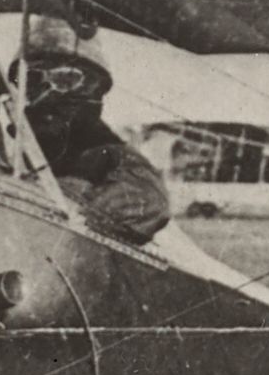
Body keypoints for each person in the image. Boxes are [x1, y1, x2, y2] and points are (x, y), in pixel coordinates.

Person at [14, 27, 177, 249]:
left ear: (95, 87)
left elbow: (150, 204)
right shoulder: (7, 136)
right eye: (32, 79)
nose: (48, 91)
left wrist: (61, 198)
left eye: (65, 78)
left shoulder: (113, 156)